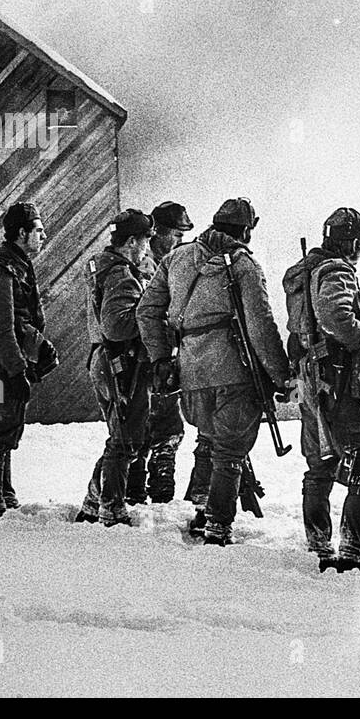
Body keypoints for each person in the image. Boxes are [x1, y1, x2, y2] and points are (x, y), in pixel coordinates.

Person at [136, 198, 290, 545]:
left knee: (211, 441)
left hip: (190, 377)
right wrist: (282, 377)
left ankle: (205, 511)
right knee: (229, 454)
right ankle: (218, 526)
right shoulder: (245, 266)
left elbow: (147, 310)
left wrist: (162, 357)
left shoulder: (176, 258)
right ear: (247, 231)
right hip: (233, 375)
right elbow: (261, 328)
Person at [283, 207, 360, 570]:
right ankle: (351, 549)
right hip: (337, 377)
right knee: (358, 461)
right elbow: (337, 316)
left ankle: (318, 543)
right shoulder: (337, 270)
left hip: (311, 375)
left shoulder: (304, 272)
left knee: (319, 463)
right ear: (352, 242)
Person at [0, 202, 57, 515]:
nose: (43, 235)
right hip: (0, 368)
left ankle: (4, 494)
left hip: (8, 364)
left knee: (8, 427)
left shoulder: (16, 263)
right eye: (37, 230)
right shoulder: (2, 267)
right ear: (22, 233)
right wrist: (17, 369)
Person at [77, 209, 154, 526]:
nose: (147, 249)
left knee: (122, 435)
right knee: (124, 440)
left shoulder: (102, 267)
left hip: (105, 362)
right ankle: (111, 507)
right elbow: (117, 326)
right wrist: (148, 307)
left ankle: (95, 501)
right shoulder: (121, 274)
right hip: (121, 364)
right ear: (133, 241)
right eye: (146, 241)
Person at [126, 200, 195, 505]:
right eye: (176, 236)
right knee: (161, 427)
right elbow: (147, 313)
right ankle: (146, 491)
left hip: (155, 358)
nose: (180, 243)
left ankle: (144, 490)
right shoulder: (147, 267)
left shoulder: (162, 265)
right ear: (160, 234)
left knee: (154, 426)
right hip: (147, 360)